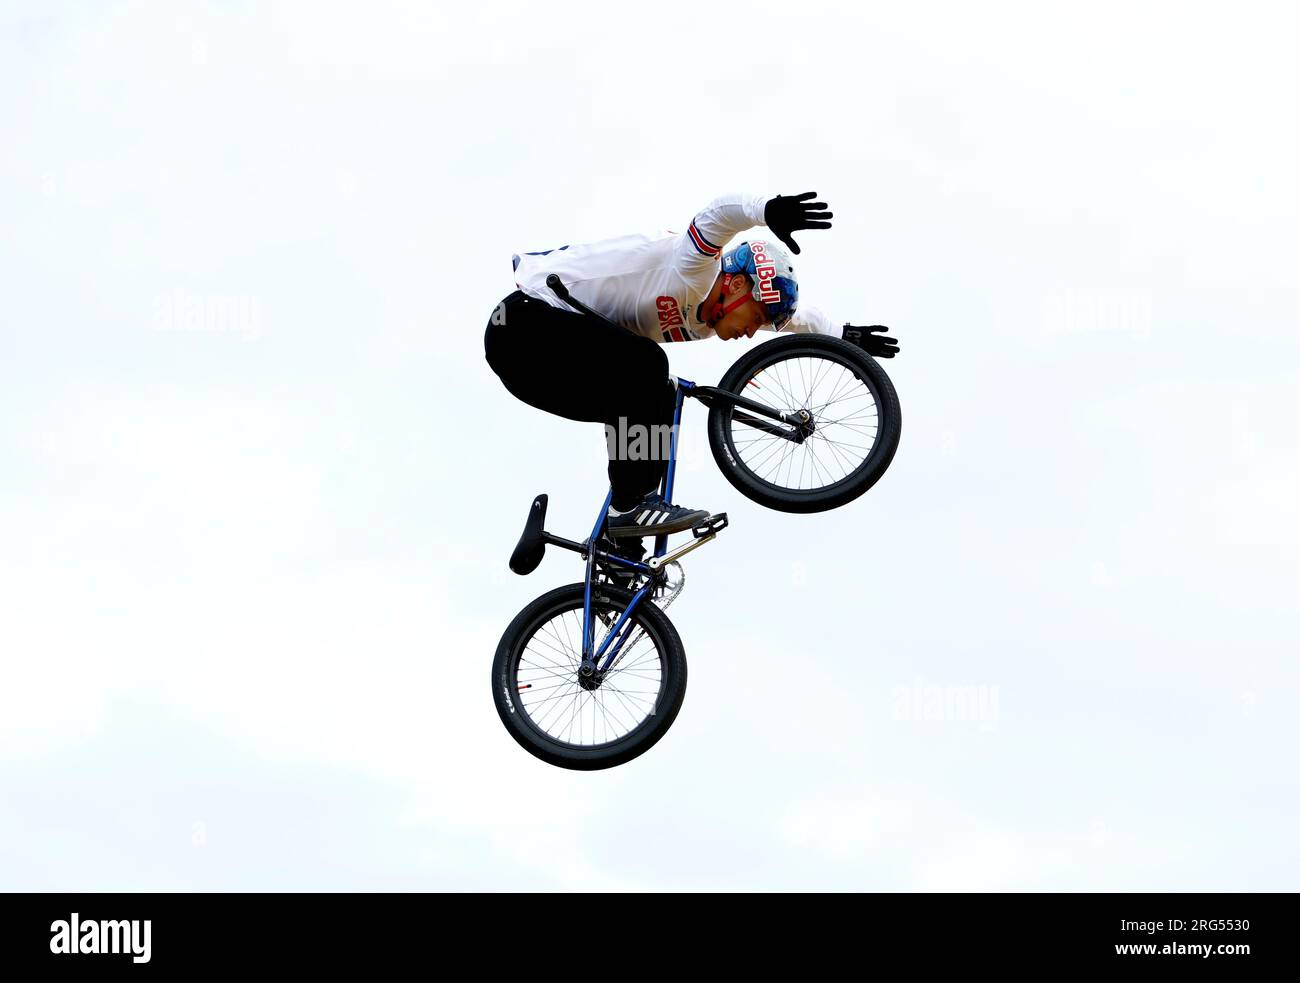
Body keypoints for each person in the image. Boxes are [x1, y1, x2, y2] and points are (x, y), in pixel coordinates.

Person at [484, 191, 898, 549]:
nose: (753, 331)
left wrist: (841, 335)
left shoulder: (722, 308)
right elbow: (715, 215)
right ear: (736, 285)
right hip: (522, 324)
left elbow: (795, 320)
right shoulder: (696, 269)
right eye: (756, 317)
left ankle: (621, 544)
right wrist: (766, 209)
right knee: (647, 363)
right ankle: (630, 507)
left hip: (547, 371)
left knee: (658, 395)